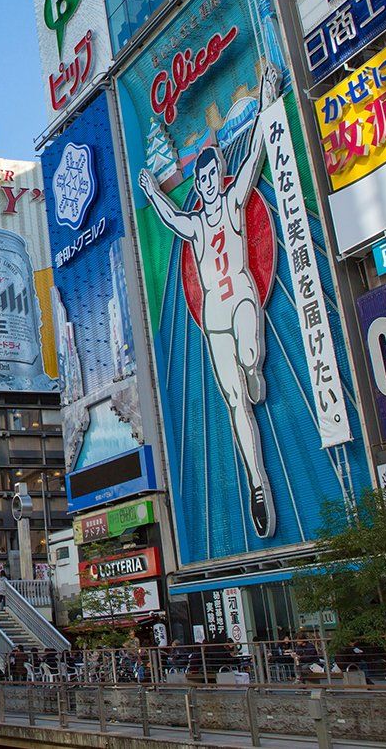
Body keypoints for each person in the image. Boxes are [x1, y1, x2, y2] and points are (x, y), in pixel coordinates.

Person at [137, 67, 281, 539]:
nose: (210, 183)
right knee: (236, 401)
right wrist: (152, 191)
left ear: (219, 177)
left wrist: (267, 99)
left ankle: (254, 367)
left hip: (242, 298)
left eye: (212, 174)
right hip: (215, 315)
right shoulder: (197, 226)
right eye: (202, 179)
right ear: (200, 186)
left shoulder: (236, 201)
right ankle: (257, 483)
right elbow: (171, 217)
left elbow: (256, 152)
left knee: (250, 354)